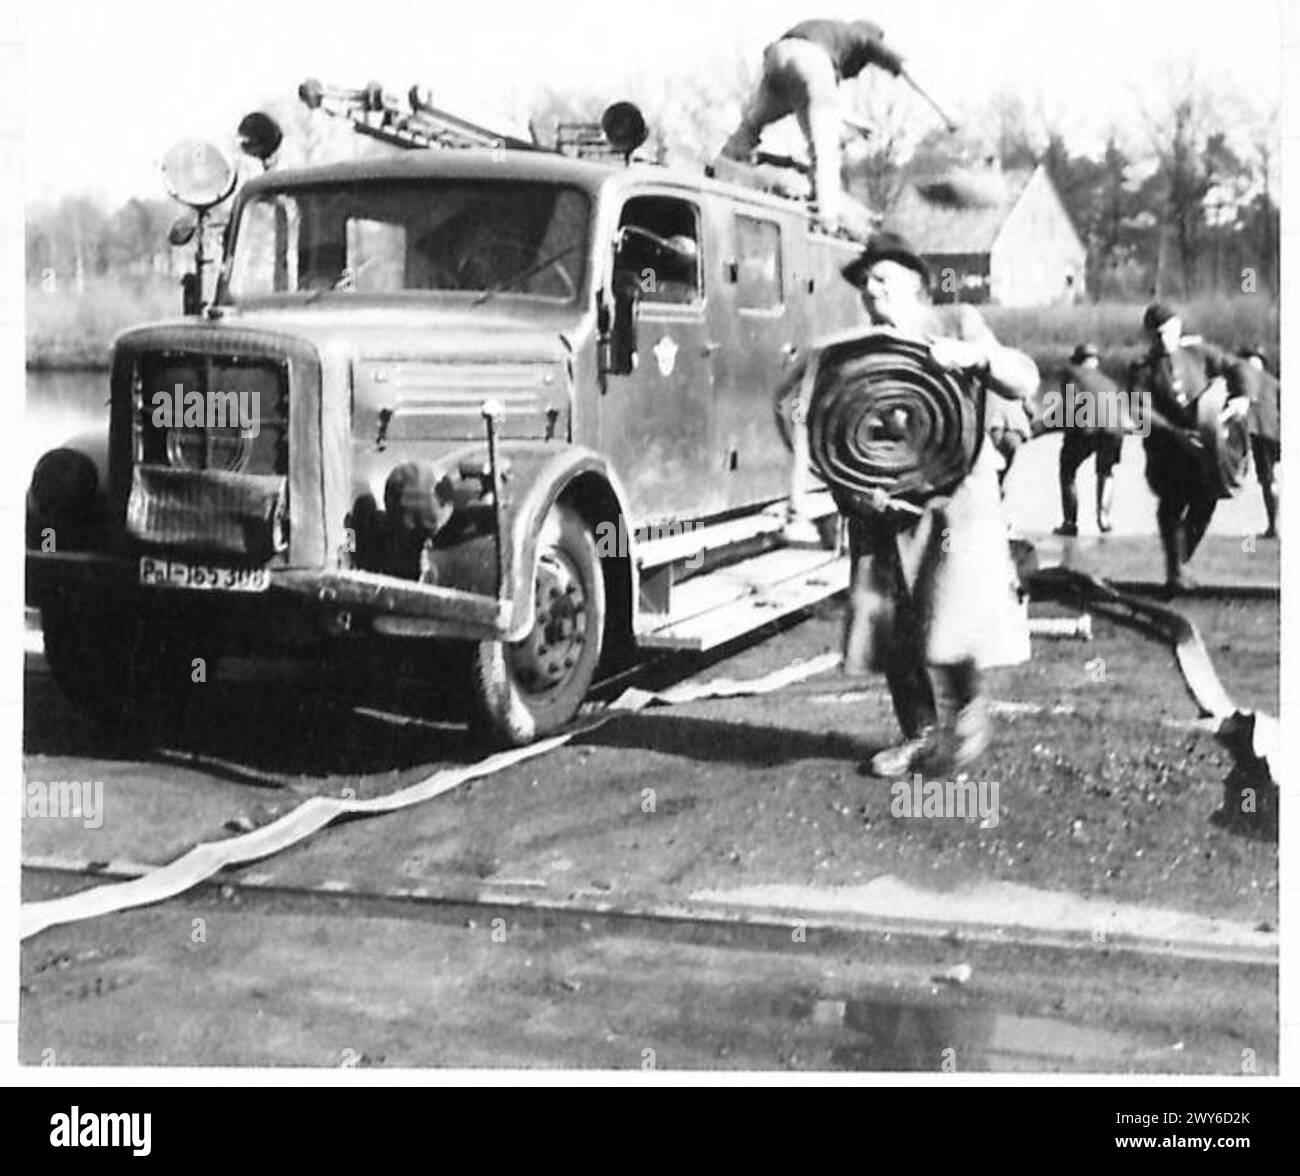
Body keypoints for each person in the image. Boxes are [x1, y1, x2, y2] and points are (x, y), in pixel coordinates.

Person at [786, 231, 1037, 778]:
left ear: (918, 286)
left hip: (953, 500)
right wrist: (829, 484)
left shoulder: (958, 323)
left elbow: (1024, 378)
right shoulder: (847, 349)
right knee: (892, 631)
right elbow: (798, 410)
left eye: (882, 279)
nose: (871, 291)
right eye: (864, 283)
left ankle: (967, 717)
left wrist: (972, 358)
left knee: (952, 617)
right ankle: (919, 734)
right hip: (877, 504)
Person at [719, 19, 904, 230]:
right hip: (810, 60)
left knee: (752, 124)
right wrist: (896, 63)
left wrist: (857, 124)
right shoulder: (857, 36)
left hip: (778, 57)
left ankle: (723, 166)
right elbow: (869, 44)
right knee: (825, 149)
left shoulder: (830, 33)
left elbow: (819, 106)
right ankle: (828, 218)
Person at [1127, 303, 1252, 594]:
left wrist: (1241, 398)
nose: (1162, 340)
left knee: (1206, 501)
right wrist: (1175, 433)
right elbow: (1139, 410)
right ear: (1148, 336)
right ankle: (1176, 570)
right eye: (1155, 335)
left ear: (1178, 328)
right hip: (1166, 451)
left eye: (1167, 332)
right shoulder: (1142, 368)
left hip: (1205, 449)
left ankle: (1181, 562)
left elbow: (1237, 368)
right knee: (1170, 505)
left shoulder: (1199, 354)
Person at [1053, 342, 1125, 536]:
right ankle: (1104, 519)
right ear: (1095, 361)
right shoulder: (1109, 382)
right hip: (1115, 430)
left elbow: (1068, 407)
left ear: (1077, 360)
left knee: (1067, 471)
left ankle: (1070, 522)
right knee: (1106, 471)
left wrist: (1042, 427)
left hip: (1087, 428)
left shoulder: (1070, 373)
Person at [1237, 345, 1280, 539]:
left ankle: (1272, 527)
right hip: (1276, 434)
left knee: (1267, 480)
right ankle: (1272, 527)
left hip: (1261, 435)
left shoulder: (1243, 383)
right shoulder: (1274, 382)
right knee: (1270, 480)